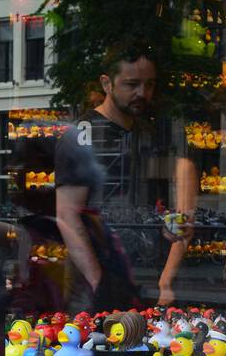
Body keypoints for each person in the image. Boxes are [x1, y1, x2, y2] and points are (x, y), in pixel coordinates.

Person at [54, 43, 163, 312]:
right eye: (131, 84)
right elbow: (67, 214)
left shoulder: (145, 132)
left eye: (149, 85)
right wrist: (98, 282)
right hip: (96, 286)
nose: (142, 93)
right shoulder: (82, 134)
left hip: (141, 277)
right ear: (107, 84)